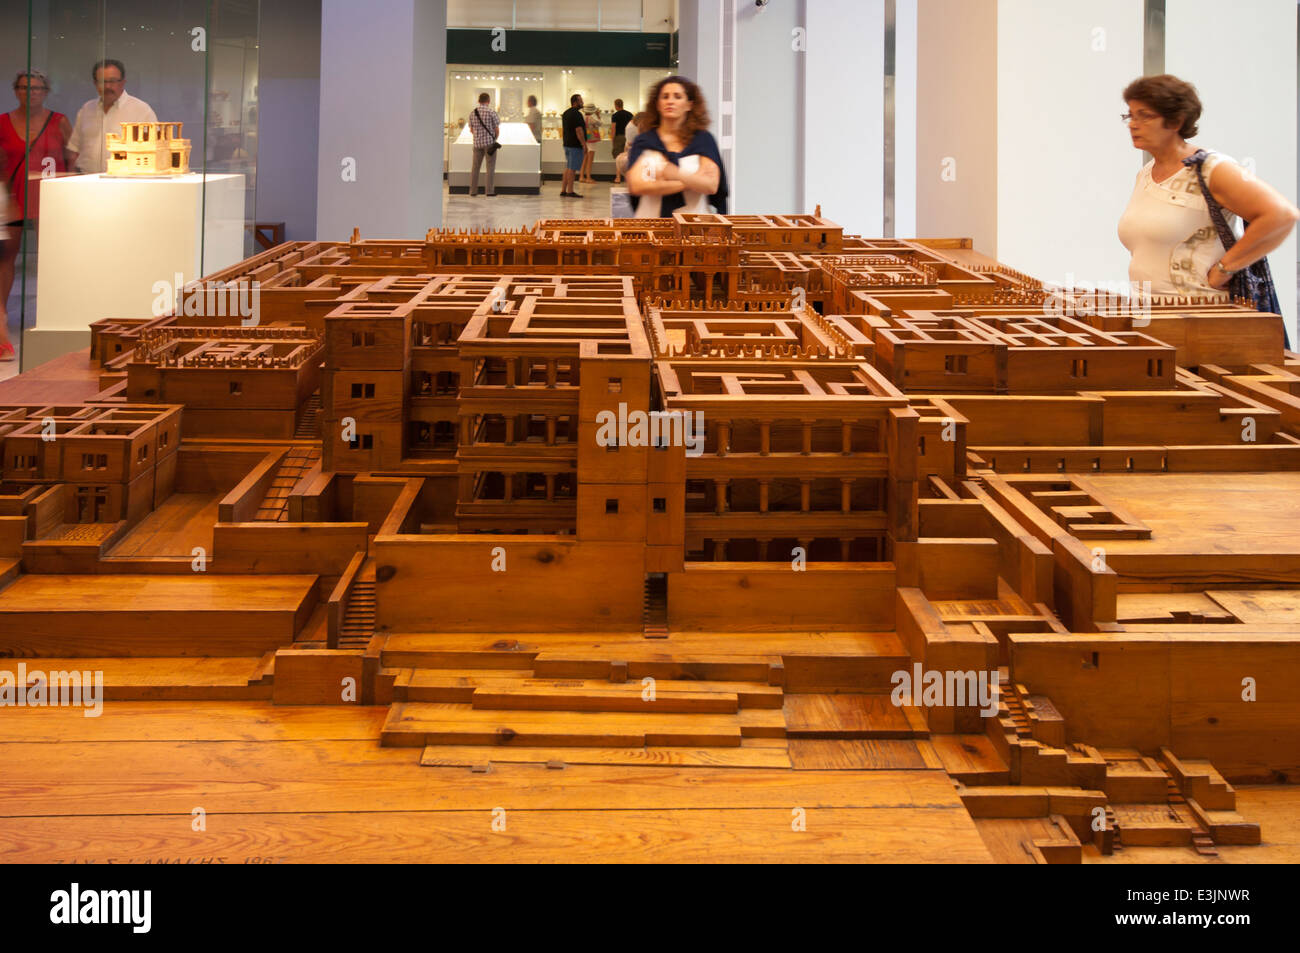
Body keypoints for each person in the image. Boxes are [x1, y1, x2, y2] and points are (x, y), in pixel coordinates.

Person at [1117, 74, 1299, 300]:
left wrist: (1225, 268)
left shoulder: (1211, 168)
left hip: (1203, 315)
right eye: (1130, 115)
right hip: (1150, 312)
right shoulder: (1145, 173)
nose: (1133, 124)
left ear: (1176, 121)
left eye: (1144, 116)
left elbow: (1282, 216)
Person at [1, 70, 70, 361]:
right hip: (13, 200)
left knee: (53, 260)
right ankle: (1, 327)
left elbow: (73, 161)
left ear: (47, 91)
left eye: (38, 88)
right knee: (5, 260)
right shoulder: (3, 123)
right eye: (25, 87)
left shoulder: (60, 122)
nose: (31, 93)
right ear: (16, 90)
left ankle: (55, 319)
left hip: (50, 201)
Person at [626, 75, 728, 217]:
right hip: (650, 224)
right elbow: (637, 185)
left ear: (689, 104)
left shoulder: (703, 139)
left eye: (678, 96)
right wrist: (692, 181)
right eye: (665, 96)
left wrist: (674, 173)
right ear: (657, 104)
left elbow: (711, 185)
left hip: (694, 227)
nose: (670, 101)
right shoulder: (645, 141)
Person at [66, 59, 156, 173]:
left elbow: (154, 152)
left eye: (113, 81)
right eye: (102, 81)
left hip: (126, 182)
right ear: (95, 83)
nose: (107, 86)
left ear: (123, 82)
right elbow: (74, 150)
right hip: (86, 181)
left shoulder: (142, 111)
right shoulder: (86, 109)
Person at [467, 92, 499, 197]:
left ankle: (473, 191)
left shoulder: (472, 113)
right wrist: (494, 138)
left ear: (478, 101)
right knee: (490, 167)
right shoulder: (491, 112)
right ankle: (489, 191)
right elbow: (496, 129)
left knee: (475, 168)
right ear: (488, 101)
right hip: (489, 143)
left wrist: (478, 137)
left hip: (477, 144)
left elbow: (471, 130)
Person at [560, 93, 586, 198]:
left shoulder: (566, 113)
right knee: (572, 168)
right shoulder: (577, 114)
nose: (582, 102)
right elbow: (579, 130)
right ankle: (570, 191)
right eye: (580, 100)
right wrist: (584, 144)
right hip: (575, 145)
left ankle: (563, 190)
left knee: (568, 167)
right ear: (575, 102)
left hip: (567, 143)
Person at [610, 98, 633, 184]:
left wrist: (612, 140)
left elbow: (613, 129)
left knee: (619, 157)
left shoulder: (615, 115)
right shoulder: (629, 114)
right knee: (628, 157)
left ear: (616, 105)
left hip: (619, 137)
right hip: (628, 137)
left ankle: (618, 177)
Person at [580, 107, 599, 184]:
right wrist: (598, 116)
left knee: (585, 159)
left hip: (585, 139)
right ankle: (588, 177)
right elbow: (600, 123)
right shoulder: (591, 118)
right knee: (590, 160)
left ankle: (581, 176)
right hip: (591, 139)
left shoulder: (583, 118)